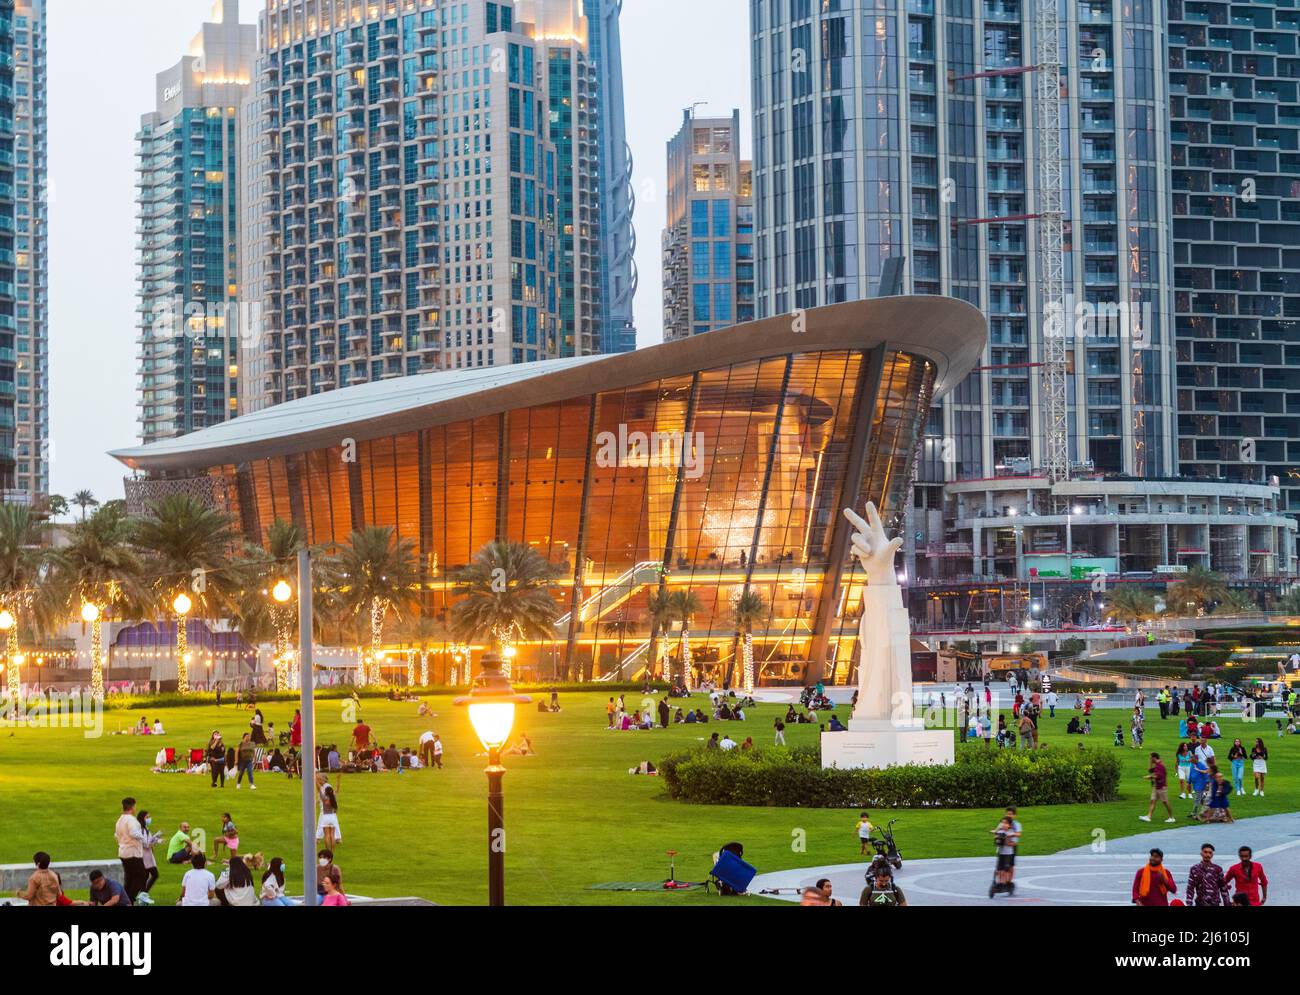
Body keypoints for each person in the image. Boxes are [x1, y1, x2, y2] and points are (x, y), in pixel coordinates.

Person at [114, 796, 147, 902]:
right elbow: (134, 833)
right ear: (133, 807)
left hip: (123, 852)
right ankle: (129, 899)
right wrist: (144, 839)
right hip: (132, 853)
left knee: (130, 878)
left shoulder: (119, 820)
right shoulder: (131, 819)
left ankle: (125, 900)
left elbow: (116, 835)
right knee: (142, 875)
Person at [1140, 752, 1177, 823]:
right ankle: (1148, 817)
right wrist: (1150, 763)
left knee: (1165, 802)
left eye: (1150, 758)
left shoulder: (1160, 765)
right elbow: (1150, 770)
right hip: (1156, 786)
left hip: (1161, 787)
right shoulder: (1157, 765)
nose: (1150, 759)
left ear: (1154, 758)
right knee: (1153, 801)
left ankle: (1171, 817)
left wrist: (1149, 777)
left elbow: (1159, 776)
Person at [992, 807, 1021, 891]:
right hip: (1001, 847)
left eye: (1011, 814)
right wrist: (996, 833)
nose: (1009, 815)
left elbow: (1018, 834)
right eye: (1007, 813)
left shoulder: (1016, 824)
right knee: (1000, 867)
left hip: (1011, 847)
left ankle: (1008, 881)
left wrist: (1009, 836)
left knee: (1010, 866)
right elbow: (997, 831)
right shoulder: (1002, 822)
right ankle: (1001, 882)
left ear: (1014, 815)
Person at [136, 809, 162, 900]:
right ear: (142, 818)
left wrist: (157, 839)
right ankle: (143, 894)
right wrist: (156, 838)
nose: (149, 819)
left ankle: (143, 895)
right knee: (153, 875)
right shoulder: (142, 830)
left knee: (146, 876)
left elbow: (149, 841)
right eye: (147, 817)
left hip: (147, 856)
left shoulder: (146, 829)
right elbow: (146, 844)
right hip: (144, 856)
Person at [318, 783, 341, 849]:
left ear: (326, 792)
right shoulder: (333, 797)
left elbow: (319, 788)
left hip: (325, 817)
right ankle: (332, 852)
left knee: (327, 835)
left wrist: (315, 780)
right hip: (333, 817)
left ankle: (327, 851)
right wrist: (338, 780)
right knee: (332, 835)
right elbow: (337, 789)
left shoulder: (324, 798)